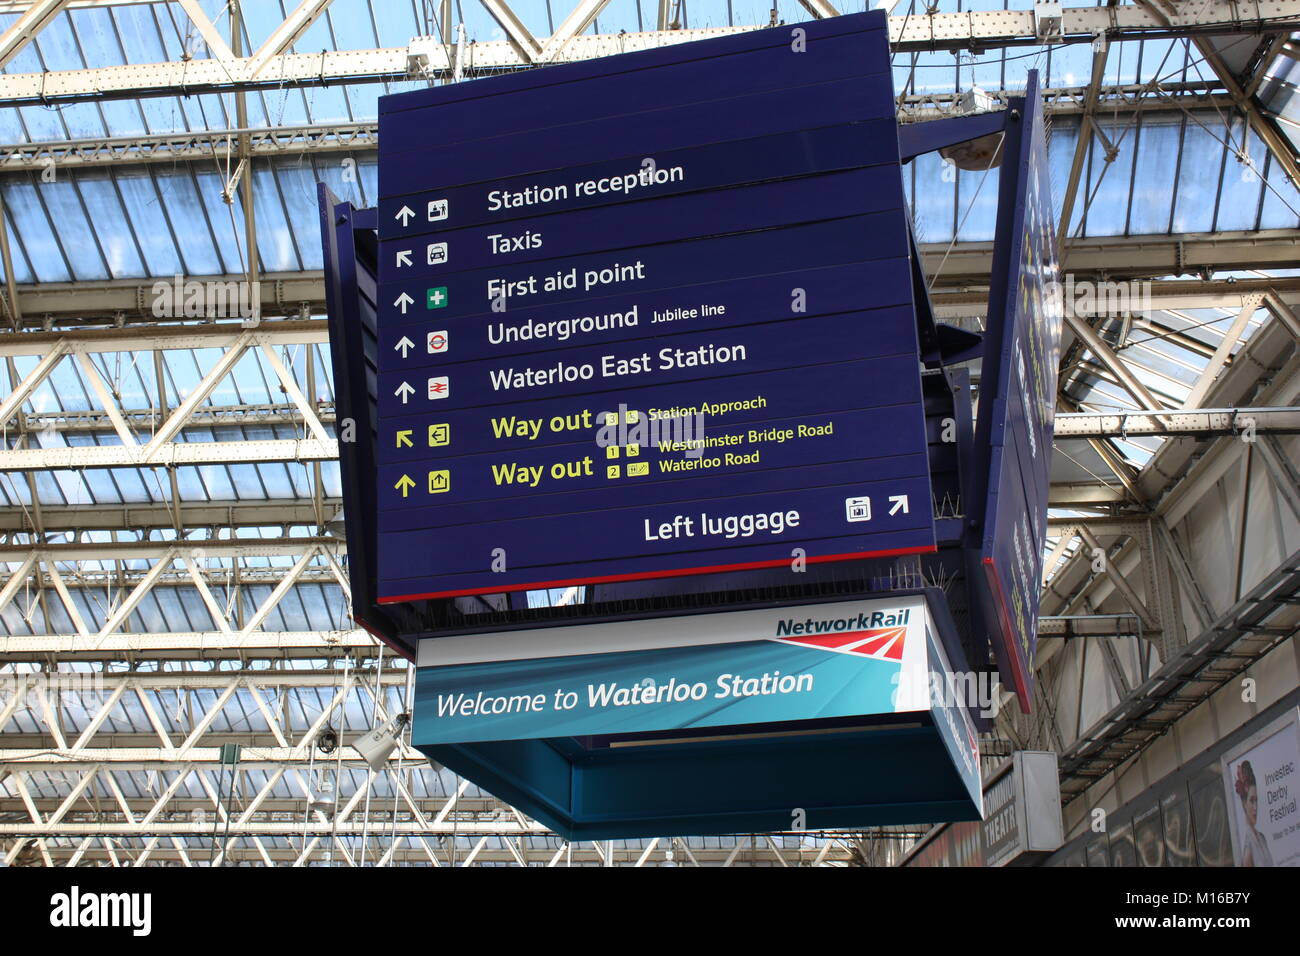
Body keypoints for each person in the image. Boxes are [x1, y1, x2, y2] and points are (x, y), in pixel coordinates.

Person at [1233, 760, 1275, 867]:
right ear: (1244, 804)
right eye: (1251, 800)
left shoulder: (1262, 838)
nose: (1255, 807)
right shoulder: (1248, 848)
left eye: (1256, 800)